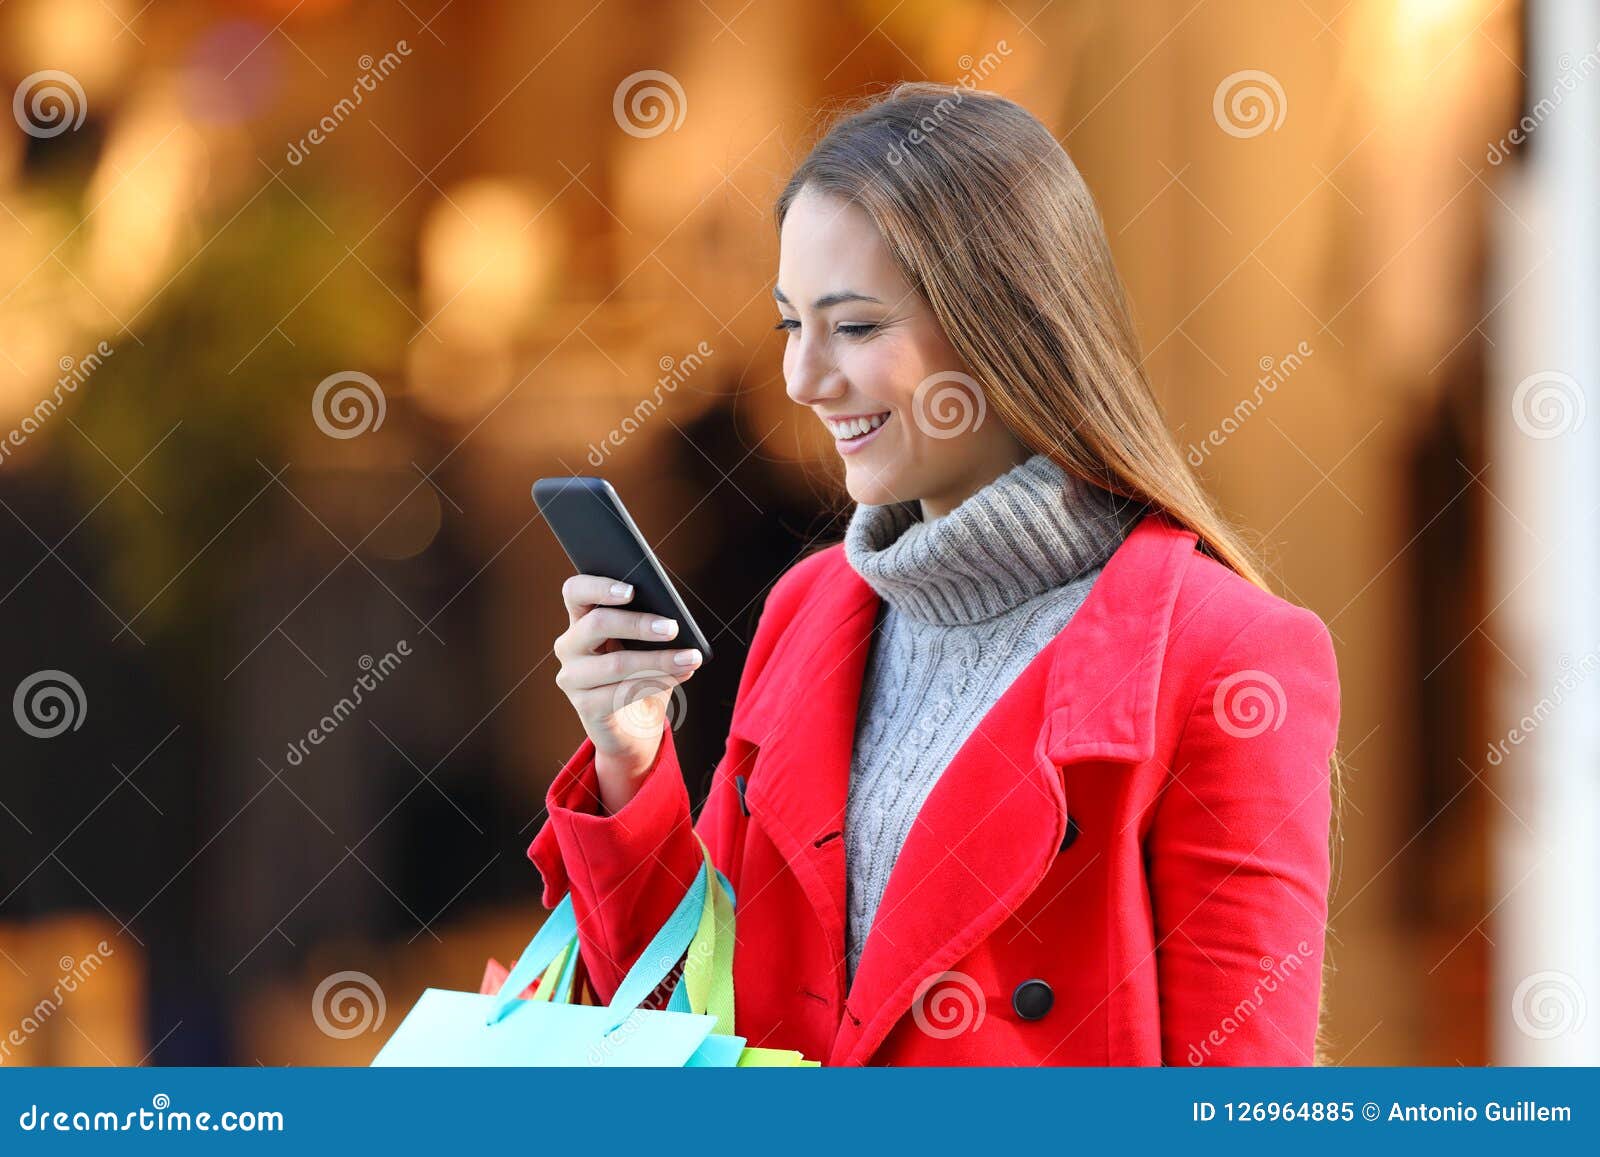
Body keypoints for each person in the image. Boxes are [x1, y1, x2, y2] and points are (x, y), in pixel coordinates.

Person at [531, 82, 1340, 1066]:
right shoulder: (808, 609)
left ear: (1004, 324)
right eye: (791, 326)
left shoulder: (1226, 657)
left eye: (854, 326)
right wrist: (630, 763)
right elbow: (686, 1031)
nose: (803, 379)